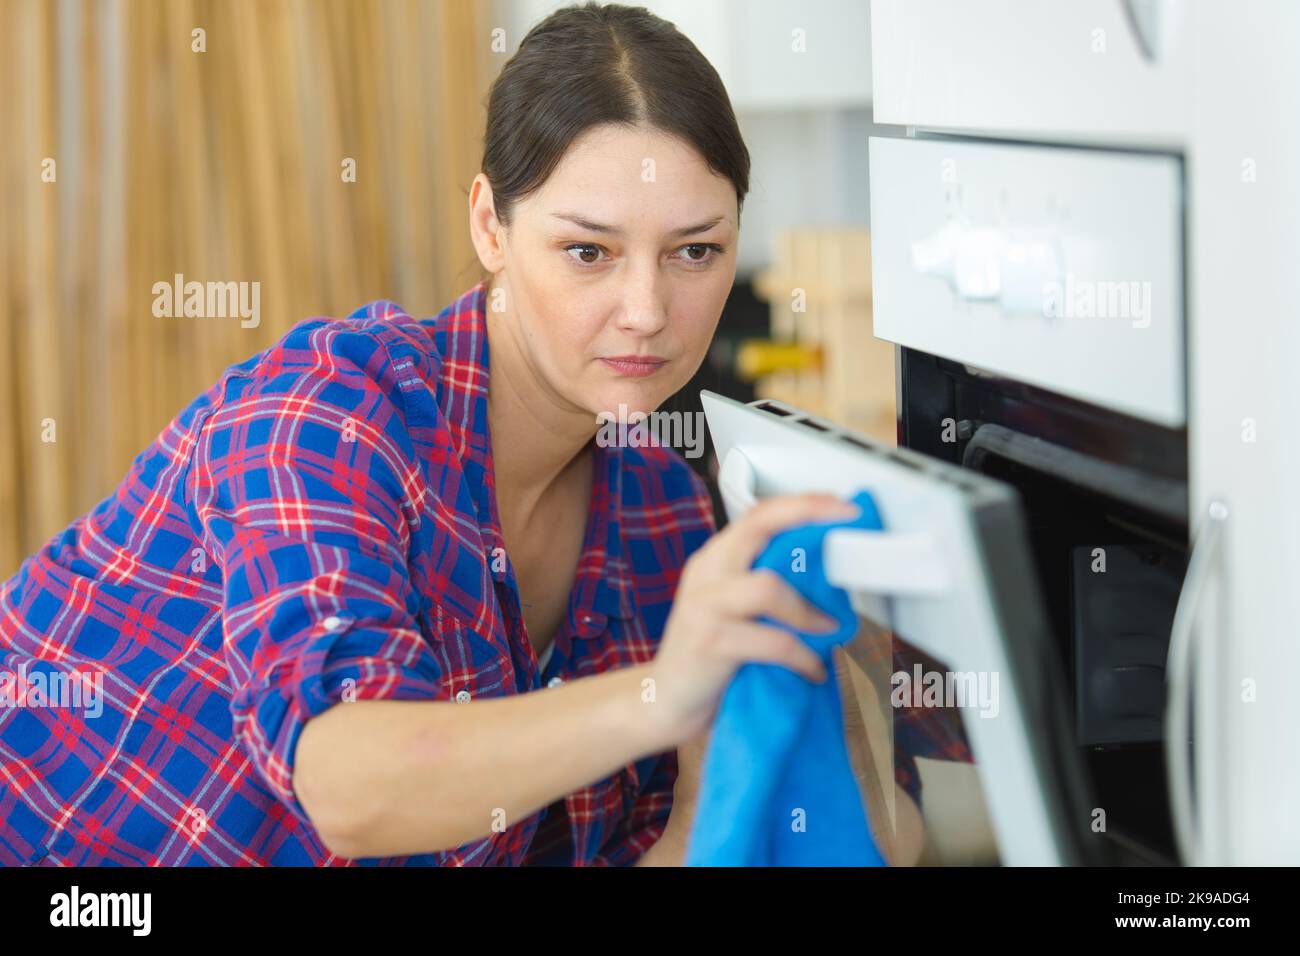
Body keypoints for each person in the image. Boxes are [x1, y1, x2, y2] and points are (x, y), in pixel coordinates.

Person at [0, 1, 955, 867]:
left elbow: (836, 833)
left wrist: (847, 675)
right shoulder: (326, 416)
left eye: (695, 251)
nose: (647, 311)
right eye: (588, 251)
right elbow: (350, 788)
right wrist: (667, 692)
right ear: (490, 227)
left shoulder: (662, 513)